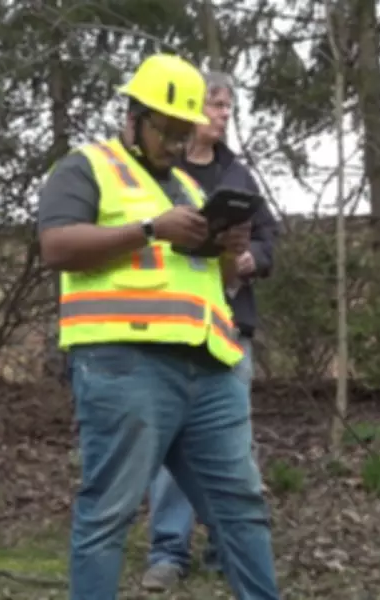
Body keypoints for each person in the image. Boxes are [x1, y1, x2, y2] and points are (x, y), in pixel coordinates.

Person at [37, 53, 280, 600]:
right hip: (126, 365)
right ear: (134, 115)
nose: (175, 143)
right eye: (165, 130)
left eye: (182, 130)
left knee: (241, 509)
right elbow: (55, 247)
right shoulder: (87, 166)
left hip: (211, 368)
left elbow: (211, 281)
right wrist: (149, 228)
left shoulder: (193, 194)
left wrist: (227, 249)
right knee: (109, 512)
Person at [142, 70, 278, 593]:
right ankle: (169, 550)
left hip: (227, 325)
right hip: (168, 325)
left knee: (231, 443)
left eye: (228, 107)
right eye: (215, 105)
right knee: (171, 438)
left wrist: (249, 259)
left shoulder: (238, 175)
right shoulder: (160, 171)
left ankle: (229, 545)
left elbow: (269, 238)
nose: (223, 115)